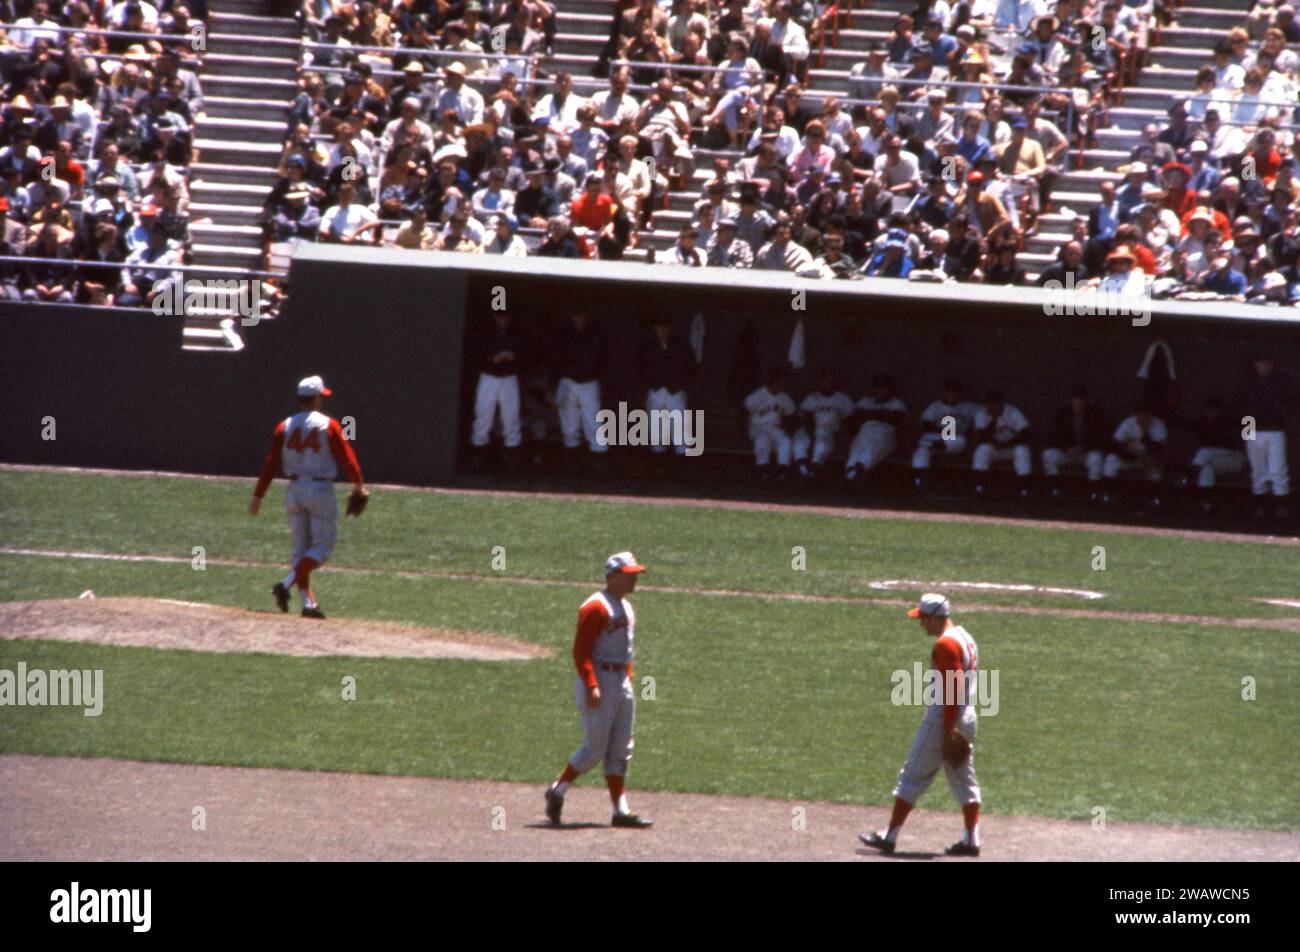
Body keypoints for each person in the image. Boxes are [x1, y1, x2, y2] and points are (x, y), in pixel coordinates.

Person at [860, 593, 983, 858]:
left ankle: (888, 837)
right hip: (968, 714)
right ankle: (971, 839)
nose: (921, 624)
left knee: (912, 774)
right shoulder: (966, 637)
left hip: (945, 717)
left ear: (935, 617)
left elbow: (953, 687)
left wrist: (948, 729)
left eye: (923, 618)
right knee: (964, 779)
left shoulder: (945, 645)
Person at [544, 552, 653, 829]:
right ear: (614, 576)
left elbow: (624, 651)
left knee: (621, 748)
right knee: (594, 749)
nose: (635, 579)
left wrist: (626, 681)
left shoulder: (626, 608)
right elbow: (581, 651)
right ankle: (558, 790)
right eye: (630, 574)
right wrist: (592, 685)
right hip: (600, 681)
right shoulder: (595, 606)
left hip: (621, 681)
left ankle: (620, 810)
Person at [249, 376, 366, 620]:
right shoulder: (329, 424)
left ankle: (309, 605)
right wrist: (358, 486)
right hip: (320, 489)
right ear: (315, 398)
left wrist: (258, 496)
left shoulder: (285, 425)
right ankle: (285, 583)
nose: (322, 399)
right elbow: (347, 457)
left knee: (301, 551)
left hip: (293, 489)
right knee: (323, 547)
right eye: (321, 395)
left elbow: (271, 463)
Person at [1232, 350, 1296, 519]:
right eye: (1261, 362)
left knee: (1278, 469)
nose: (1265, 365)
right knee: (1257, 468)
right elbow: (1239, 406)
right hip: (1253, 428)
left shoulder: (1281, 382)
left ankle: (1281, 506)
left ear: (1272, 364)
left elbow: (1290, 404)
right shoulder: (1247, 383)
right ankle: (1260, 505)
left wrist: (1282, 422)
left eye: (1268, 362)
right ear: (1256, 364)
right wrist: (1246, 431)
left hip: (1276, 429)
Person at [468, 312, 529, 469]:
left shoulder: (517, 333)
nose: (503, 320)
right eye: (499, 317)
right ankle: (478, 453)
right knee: (483, 414)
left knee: (511, 417)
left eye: (505, 317)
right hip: (488, 376)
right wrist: (491, 359)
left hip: (509, 377)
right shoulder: (485, 334)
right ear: (494, 318)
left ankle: (512, 454)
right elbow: (475, 355)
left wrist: (512, 356)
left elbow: (526, 355)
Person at [636, 314, 697, 460]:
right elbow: (641, 367)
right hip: (656, 390)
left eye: (665, 328)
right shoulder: (647, 346)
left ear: (670, 329)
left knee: (680, 427)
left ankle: (682, 461)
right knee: (656, 428)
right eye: (658, 328)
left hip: (676, 391)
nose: (662, 331)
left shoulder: (681, 345)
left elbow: (690, 367)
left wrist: (680, 384)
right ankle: (659, 461)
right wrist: (652, 383)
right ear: (654, 329)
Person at [552, 309, 609, 462]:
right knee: (569, 422)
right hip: (568, 381)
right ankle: (573, 459)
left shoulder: (595, 334)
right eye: (576, 315)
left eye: (582, 315)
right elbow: (557, 360)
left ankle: (598, 459)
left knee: (593, 420)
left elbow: (601, 359)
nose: (579, 318)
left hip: (589, 381)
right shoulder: (563, 334)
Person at [911, 377, 980, 489]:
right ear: (944, 392)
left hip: (955, 442)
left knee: (961, 441)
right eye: (949, 391)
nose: (952, 394)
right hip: (937, 438)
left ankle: (928, 445)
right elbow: (925, 425)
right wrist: (942, 432)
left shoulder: (970, 407)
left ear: (960, 393)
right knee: (921, 453)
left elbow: (986, 417)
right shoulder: (935, 406)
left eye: (955, 391)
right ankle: (920, 484)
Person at [1041, 385, 1109, 498]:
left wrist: (1085, 449)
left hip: (1086, 453)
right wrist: (1066, 448)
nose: (1079, 402)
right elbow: (1054, 435)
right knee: (1048, 455)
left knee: (1096, 458)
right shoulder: (1062, 413)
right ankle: (1054, 489)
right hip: (1067, 453)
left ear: (1087, 401)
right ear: (1070, 400)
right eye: (1076, 399)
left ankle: (1093, 492)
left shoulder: (1096, 414)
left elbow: (1101, 437)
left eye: (1082, 399)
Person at [1187, 396, 1248, 514]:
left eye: (1214, 410)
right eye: (1208, 410)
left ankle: (1190, 478)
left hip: (1236, 459)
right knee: (1206, 467)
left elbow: (1245, 441)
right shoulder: (1202, 423)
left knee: (1204, 453)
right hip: (1216, 460)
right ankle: (1205, 502)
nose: (1210, 413)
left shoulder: (1231, 422)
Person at [844, 373, 907, 483]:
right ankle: (851, 473)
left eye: (883, 387)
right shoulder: (864, 402)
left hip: (885, 434)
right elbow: (854, 420)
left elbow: (895, 420)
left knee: (871, 447)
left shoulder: (897, 404)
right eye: (877, 387)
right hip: (865, 432)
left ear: (889, 389)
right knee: (856, 449)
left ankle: (855, 472)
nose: (880, 390)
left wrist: (870, 414)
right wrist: (880, 414)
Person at [791, 369, 855, 478]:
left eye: (831, 380)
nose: (828, 382)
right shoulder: (811, 398)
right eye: (825, 380)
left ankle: (813, 470)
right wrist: (811, 433)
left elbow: (849, 420)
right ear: (820, 381)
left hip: (830, 430)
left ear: (835, 381)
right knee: (799, 440)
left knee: (822, 443)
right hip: (811, 429)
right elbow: (805, 419)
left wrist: (844, 435)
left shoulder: (843, 399)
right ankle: (803, 470)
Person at [970, 389, 1033, 497]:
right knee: (982, 450)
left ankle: (1024, 489)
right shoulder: (982, 414)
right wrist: (993, 420)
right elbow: (981, 436)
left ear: (1002, 402)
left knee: (1022, 451)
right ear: (987, 403)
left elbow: (1025, 433)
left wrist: (1008, 444)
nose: (994, 405)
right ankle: (979, 487)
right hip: (994, 447)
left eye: (997, 402)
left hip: (1011, 446)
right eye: (991, 402)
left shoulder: (1013, 411)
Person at [741, 366, 798, 479]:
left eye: (783, 382)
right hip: (757, 425)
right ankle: (762, 470)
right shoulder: (757, 395)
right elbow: (742, 414)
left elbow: (791, 417)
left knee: (785, 441)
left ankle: (783, 470)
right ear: (772, 380)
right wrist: (744, 431)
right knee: (763, 440)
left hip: (775, 427)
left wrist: (789, 430)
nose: (781, 385)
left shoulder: (785, 398)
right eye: (779, 381)